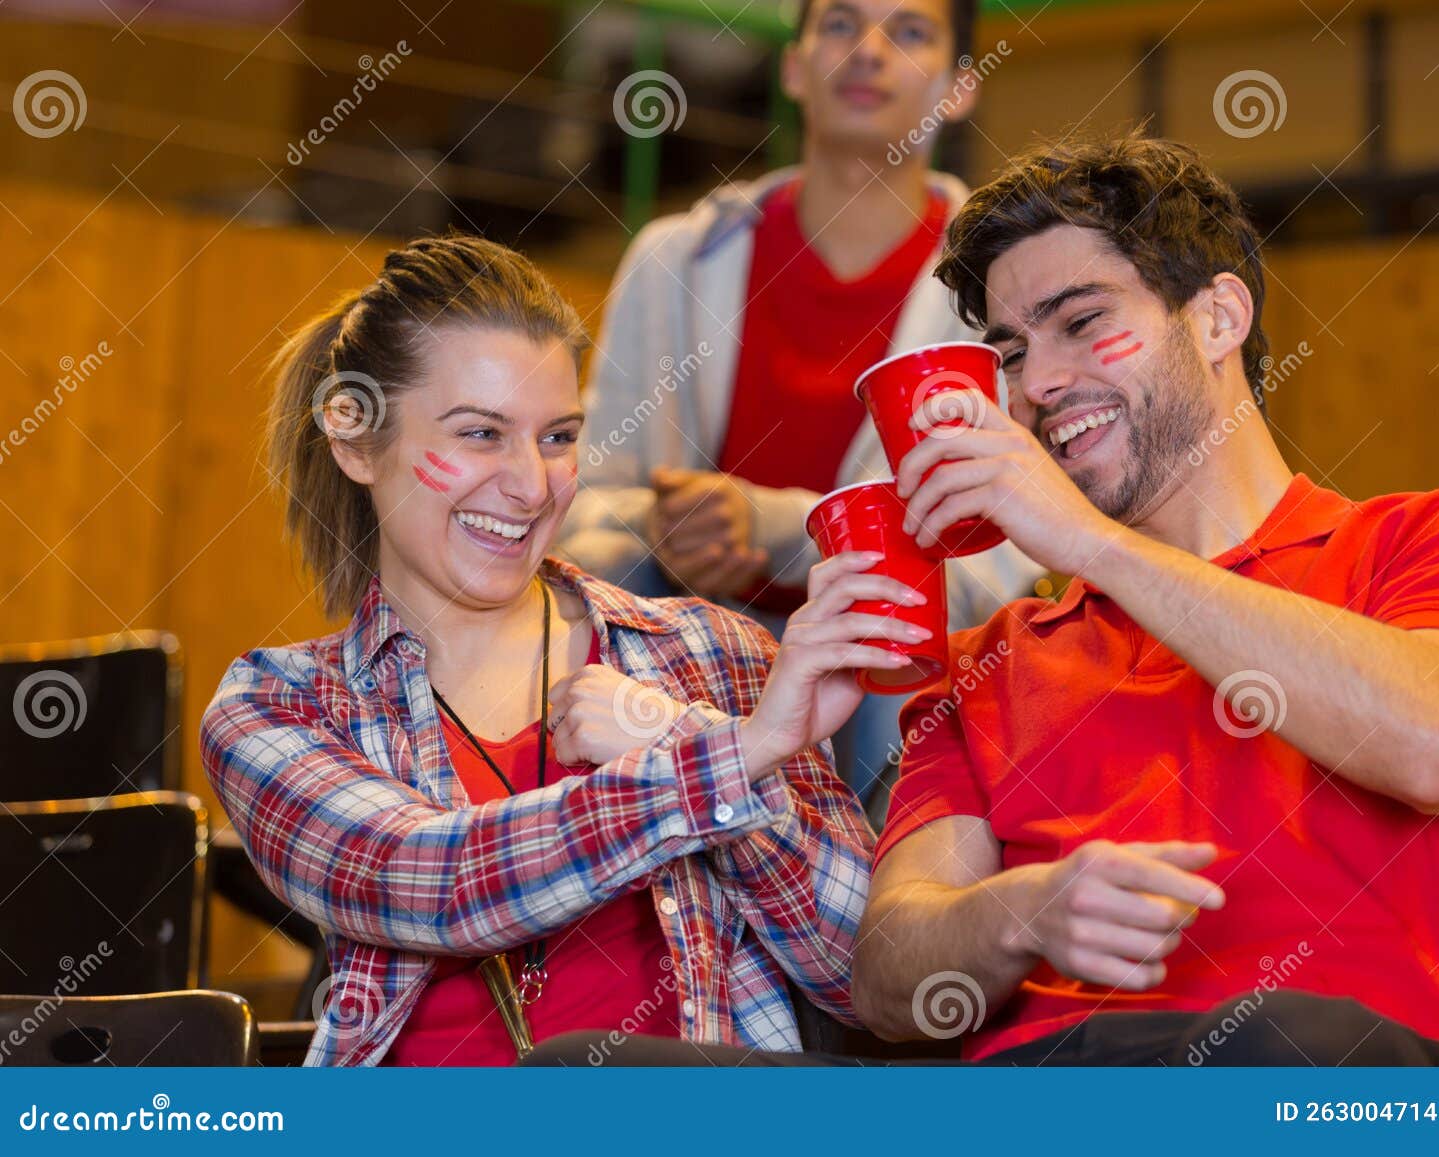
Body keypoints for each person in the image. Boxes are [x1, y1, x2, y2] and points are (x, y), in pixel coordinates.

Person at [522, 134, 1439, 1067]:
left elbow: (1436, 741)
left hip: (1329, 1079)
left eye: (1081, 322)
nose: (1037, 384)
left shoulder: (1421, 539)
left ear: (1216, 316)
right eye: (1014, 353)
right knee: (583, 1080)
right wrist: (1025, 910)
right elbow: (888, 981)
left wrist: (1089, 543)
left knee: (1281, 1041)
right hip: (1039, 1094)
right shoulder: (993, 657)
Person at [200, 234, 914, 1066]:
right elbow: (440, 884)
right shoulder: (278, 706)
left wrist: (678, 732)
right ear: (357, 441)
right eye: (480, 433)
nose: (532, 487)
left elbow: (859, 975)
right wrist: (730, 754)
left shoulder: (712, 652)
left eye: (557, 437)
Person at [559, 0, 1043, 794]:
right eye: (842, 25)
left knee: (919, 663)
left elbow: (999, 558)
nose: (870, 52)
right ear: (793, 64)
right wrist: (658, 524)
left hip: (882, 692)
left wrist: (781, 528)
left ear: (961, 87)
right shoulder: (671, 261)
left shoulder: (1006, 287)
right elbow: (577, 506)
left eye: (911, 32)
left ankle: (884, 904)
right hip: (680, 673)